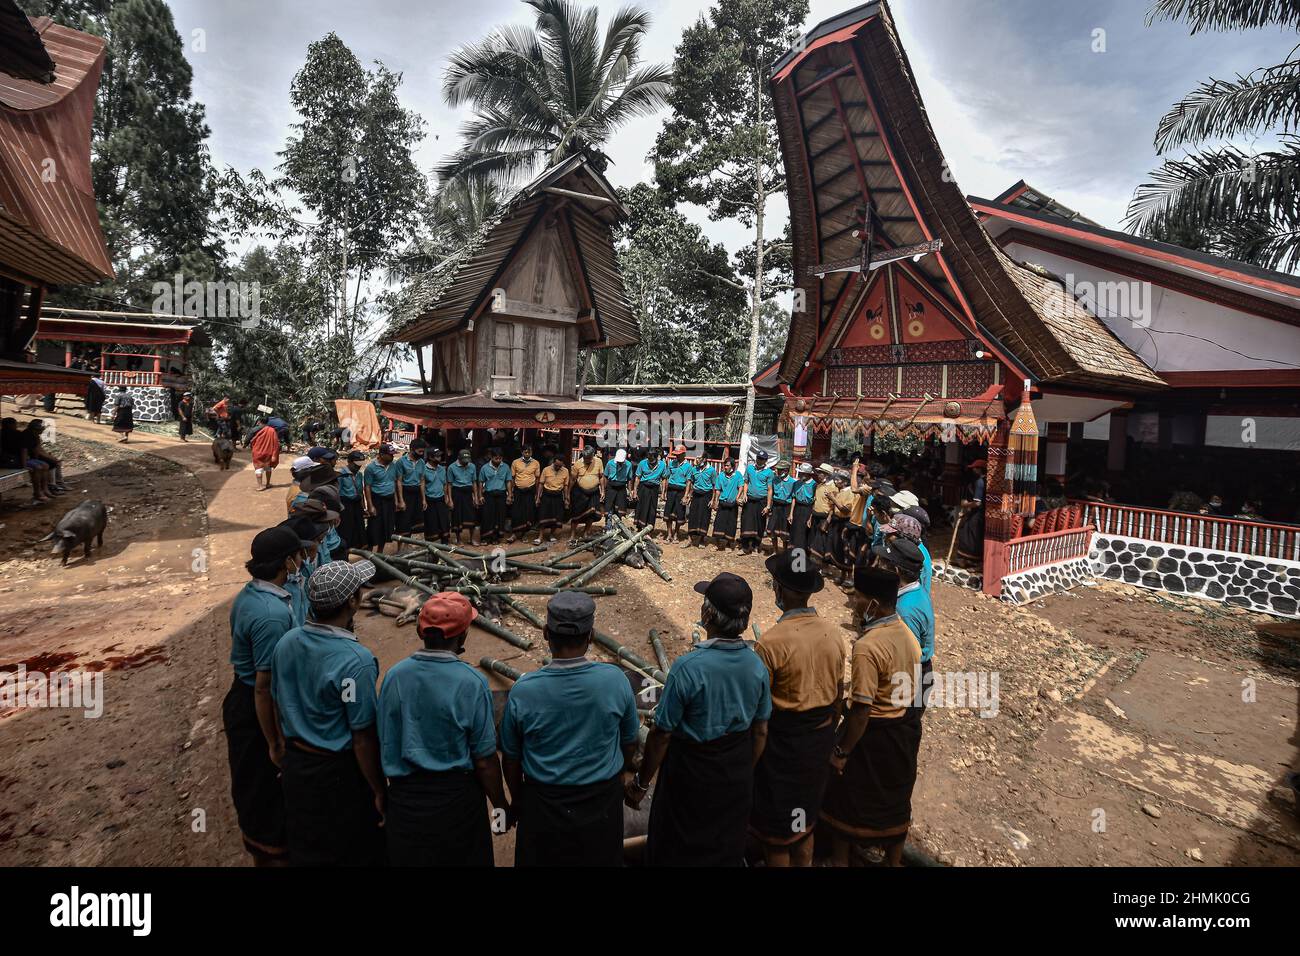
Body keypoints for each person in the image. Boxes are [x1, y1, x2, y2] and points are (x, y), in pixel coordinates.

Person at [630, 572, 771, 866]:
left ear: (707, 614)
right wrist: (742, 770)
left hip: (691, 774)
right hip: (734, 773)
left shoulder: (688, 668)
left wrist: (641, 783)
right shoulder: (756, 665)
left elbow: (662, 734)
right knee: (723, 841)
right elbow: (760, 732)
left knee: (678, 842)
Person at [499, 591, 640, 867]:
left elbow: (511, 759)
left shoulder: (524, 691)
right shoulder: (615, 680)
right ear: (591, 636)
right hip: (601, 803)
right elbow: (630, 741)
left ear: (545, 634)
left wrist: (518, 800)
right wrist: (620, 775)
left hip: (544, 805)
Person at [378, 593, 510, 866]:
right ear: (463, 636)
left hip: (405, 800)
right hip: (456, 802)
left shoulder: (395, 677)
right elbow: (485, 761)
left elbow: (384, 739)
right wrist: (500, 805)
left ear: (419, 630)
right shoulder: (472, 683)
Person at [272, 560, 386, 866]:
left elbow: (277, 699)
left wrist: (284, 750)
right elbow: (362, 736)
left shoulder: (287, 643)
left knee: (308, 845)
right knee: (351, 848)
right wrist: (378, 790)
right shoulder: (355, 661)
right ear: (352, 601)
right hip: (337, 772)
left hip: (298, 764)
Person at [821, 566, 923, 867]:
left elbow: (862, 709)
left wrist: (842, 751)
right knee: (894, 800)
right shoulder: (906, 633)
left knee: (847, 803)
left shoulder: (867, 647)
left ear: (873, 605)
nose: (853, 604)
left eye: (858, 599)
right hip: (903, 729)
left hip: (873, 736)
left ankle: (841, 861)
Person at [750, 552, 846, 867]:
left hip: (783, 748)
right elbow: (838, 694)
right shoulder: (833, 633)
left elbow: (758, 711)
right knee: (803, 823)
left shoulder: (770, 643)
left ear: (780, 590)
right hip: (818, 743)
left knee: (776, 833)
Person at [223, 526, 302, 866]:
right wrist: (275, 740)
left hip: (248, 696)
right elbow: (263, 685)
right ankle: (271, 854)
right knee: (264, 784)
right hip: (256, 707)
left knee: (258, 786)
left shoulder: (251, 595)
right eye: (298, 555)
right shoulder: (271, 615)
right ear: (288, 562)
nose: (302, 560)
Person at [872, 539, 935, 709]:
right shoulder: (916, 591)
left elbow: (907, 657)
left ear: (897, 571)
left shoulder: (905, 609)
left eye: (884, 564)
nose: (880, 567)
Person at [0, 418, 53, 502]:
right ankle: (38, 492)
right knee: (38, 468)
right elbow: (23, 450)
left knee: (45, 465)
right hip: (12, 460)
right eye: (14, 424)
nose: (16, 426)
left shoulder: (18, 434)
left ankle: (45, 489)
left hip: (19, 459)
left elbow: (34, 449)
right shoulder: (6, 434)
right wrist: (24, 465)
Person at [363, 444, 403, 555]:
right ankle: (369, 553)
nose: (392, 457)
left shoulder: (393, 466)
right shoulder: (371, 468)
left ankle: (380, 552)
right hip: (377, 500)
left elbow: (394, 483)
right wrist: (370, 506)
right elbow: (367, 487)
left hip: (389, 500)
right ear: (381, 455)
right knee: (374, 528)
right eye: (390, 455)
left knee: (387, 527)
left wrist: (396, 500)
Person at [739, 451, 775, 555]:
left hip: (761, 501)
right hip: (749, 499)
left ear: (765, 460)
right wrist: (744, 494)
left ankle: (755, 547)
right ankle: (745, 547)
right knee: (746, 522)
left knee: (760, 524)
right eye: (758, 458)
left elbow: (769, 490)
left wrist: (768, 506)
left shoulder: (769, 473)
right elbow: (746, 482)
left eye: (762, 459)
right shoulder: (750, 468)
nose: (760, 460)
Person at [955, 459, 986, 567]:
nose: (973, 470)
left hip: (977, 514)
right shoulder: (985, 481)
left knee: (968, 535)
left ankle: (968, 559)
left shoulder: (980, 482)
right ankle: (972, 560)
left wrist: (965, 504)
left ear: (980, 470)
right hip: (980, 514)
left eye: (975, 468)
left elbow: (977, 503)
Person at [568, 446, 603, 542]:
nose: (587, 460)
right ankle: (572, 534)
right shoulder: (577, 464)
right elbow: (572, 480)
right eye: (585, 458)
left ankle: (586, 532)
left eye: (589, 458)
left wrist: (603, 490)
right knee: (576, 514)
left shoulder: (599, 462)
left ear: (593, 455)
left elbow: (601, 477)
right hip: (579, 492)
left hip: (594, 492)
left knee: (591, 514)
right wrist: (567, 493)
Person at [21, 420, 66, 493]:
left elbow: (39, 449)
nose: (42, 431)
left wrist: (51, 457)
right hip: (28, 458)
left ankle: (56, 484)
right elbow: (33, 451)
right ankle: (50, 486)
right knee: (50, 464)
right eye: (41, 430)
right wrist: (52, 458)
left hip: (33, 456)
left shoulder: (35, 435)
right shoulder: (27, 436)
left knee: (54, 462)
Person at [508, 445, 540, 543]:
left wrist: (537, 494)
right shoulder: (515, 462)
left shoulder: (536, 463)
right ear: (521, 452)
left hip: (530, 491)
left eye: (529, 452)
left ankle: (524, 535)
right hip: (518, 491)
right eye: (525, 452)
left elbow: (538, 479)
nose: (527, 454)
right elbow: (512, 478)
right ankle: (513, 534)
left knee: (528, 513)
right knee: (516, 512)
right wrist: (511, 492)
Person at [395, 439, 428, 536]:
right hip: (405, 493)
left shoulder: (421, 462)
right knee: (403, 520)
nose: (421, 453)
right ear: (412, 449)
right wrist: (401, 500)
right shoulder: (401, 462)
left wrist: (424, 499)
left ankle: (409, 544)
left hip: (417, 493)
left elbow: (422, 481)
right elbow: (399, 481)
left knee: (417, 521)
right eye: (419, 451)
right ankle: (401, 547)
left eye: (423, 451)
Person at [337, 451, 367, 554]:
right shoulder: (341, 474)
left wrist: (363, 507)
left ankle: (357, 549)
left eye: (359, 465)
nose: (358, 467)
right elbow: (337, 493)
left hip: (357, 503)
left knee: (358, 526)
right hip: (346, 505)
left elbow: (361, 491)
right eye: (356, 465)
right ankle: (346, 550)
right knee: (347, 528)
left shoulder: (359, 475)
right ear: (349, 462)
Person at [448, 448, 480, 545]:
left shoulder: (472, 466)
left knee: (472, 515)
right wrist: (450, 499)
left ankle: (472, 538)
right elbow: (449, 484)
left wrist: (476, 497)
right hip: (457, 493)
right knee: (457, 516)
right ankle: (459, 539)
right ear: (459, 458)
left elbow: (474, 482)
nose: (466, 463)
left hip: (468, 492)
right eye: (464, 461)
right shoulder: (451, 467)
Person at [479, 448, 511, 544]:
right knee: (487, 516)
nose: (498, 460)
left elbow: (508, 481)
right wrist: (480, 496)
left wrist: (509, 495)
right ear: (491, 457)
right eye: (496, 458)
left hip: (501, 495)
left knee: (499, 517)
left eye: (500, 458)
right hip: (489, 495)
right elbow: (480, 482)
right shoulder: (484, 468)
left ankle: (495, 538)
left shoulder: (506, 467)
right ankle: (485, 538)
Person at [711, 458, 744, 551]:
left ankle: (729, 545)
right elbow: (718, 489)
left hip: (733, 504)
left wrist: (737, 497)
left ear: (732, 467)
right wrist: (716, 501)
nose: (725, 467)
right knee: (718, 523)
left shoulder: (738, 475)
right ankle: (718, 544)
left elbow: (741, 486)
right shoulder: (721, 476)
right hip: (722, 503)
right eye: (724, 465)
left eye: (727, 465)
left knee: (731, 524)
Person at [536, 452, 569, 544]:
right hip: (546, 495)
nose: (558, 467)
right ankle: (540, 536)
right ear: (553, 462)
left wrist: (566, 498)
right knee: (543, 516)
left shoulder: (565, 471)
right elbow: (541, 484)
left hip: (558, 496)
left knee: (557, 517)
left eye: (560, 466)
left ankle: (551, 535)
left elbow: (565, 486)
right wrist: (538, 497)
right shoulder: (546, 470)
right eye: (556, 465)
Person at [632, 447, 667, 534]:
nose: (650, 460)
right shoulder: (642, 463)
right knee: (641, 507)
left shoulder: (662, 465)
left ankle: (649, 528)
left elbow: (664, 479)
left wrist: (663, 493)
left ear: (657, 457)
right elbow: (638, 477)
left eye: (652, 458)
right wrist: (635, 491)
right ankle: (640, 528)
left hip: (654, 488)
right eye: (649, 458)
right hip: (643, 487)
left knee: (652, 509)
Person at [662, 446, 694, 543]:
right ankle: (669, 534)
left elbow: (689, 482)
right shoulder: (672, 463)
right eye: (676, 454)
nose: (677, 456)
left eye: (679, 454)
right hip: (671, 490)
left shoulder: (688, 466)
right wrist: (664, 492)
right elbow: (666, 477)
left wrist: (686, 495)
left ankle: (676, 533)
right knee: (668, 513)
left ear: (684, 454)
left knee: (679, 514)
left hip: (681, 492)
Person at [684, 454, 717, 548]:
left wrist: (713, 499)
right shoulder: (694, 469)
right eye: (697, 458)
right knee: (692, 516)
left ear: (705, 459)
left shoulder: (712, 471)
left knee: (704, 517)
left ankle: (702, 539)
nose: (698, 460)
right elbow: (691, 482)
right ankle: (689, 539)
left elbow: (715, 486)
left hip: (707, 495)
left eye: (700, 458)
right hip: (696, 495)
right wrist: (689, 495)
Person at [422, 447, 451, 544]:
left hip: (441, 498)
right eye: (437, 456)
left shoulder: (442, 469)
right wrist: (423, 500)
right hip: (429, 498)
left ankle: (445, 540)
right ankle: (432, 542)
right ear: (430, 457)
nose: (439, 458)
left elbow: (445, 483)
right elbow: (422, 485)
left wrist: (446, 496)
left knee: (444, 520)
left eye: (440, 455)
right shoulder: (424, 469)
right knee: (431, 521)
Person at [766, 460, 796, 552]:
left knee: (785, 532)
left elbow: (793, 498)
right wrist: (769, 506)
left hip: (786, 507)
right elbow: (772, 492)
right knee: (772, 530)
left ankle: (784, 551)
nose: (777, 472)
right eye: (777, 470)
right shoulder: (775, 480)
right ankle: (775, 550)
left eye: (780, 470)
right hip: (775, 507)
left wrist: (791, 514)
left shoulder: (792, 482)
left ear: (786, 471)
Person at [789, 463, 818, 555]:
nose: (801, 475)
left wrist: (810, 517)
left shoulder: (814, 485)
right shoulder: (796, 483)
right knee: (795, 530)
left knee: (803, 532)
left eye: (803, 473)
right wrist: (791, 514)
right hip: (797, 508)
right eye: (800, 473)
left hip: (807, 509)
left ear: (809, 474)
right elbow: (794, 498)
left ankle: (802, 553)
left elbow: (814, 502)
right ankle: (793, 551)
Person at [251, 416, 281, 490]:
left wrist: (249, 445)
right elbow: (276, 443)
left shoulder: (255, 429)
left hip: (257, 452)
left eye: (258, 421)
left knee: (258, 468)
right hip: (268, 452)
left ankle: (260, 486)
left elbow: (251, 440)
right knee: (268, 468)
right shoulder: (272, 430)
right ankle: (268, 484)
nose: (257, 423)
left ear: (260, 422)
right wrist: (274, 455)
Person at [602, 448, 633, 520]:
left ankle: (618, 526)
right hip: (611, 487)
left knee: (620, 508)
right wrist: (604, 490)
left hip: (621, 487)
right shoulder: (610, 463)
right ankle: (608, 526)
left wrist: (630, 491)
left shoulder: (629, 465)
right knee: (608, 507)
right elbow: (605, 477)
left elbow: (629, 479)